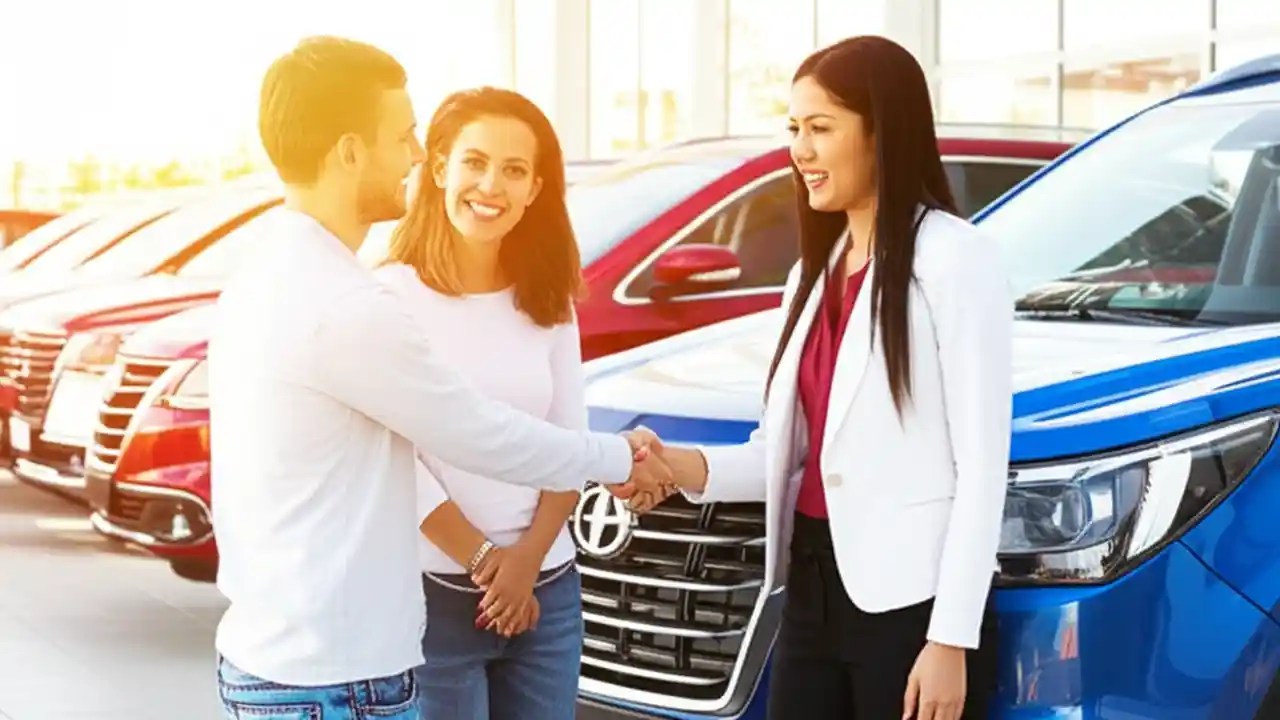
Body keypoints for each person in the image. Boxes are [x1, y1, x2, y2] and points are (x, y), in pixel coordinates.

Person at [209, 37, 670, 719]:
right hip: (331, 678)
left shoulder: (272, 270)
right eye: (403, 136)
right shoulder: (349, 303)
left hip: (297, 661)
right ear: (349, 151)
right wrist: (619, 456)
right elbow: (474, 432)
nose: (417, 154)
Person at [622, 36, 1012, 720]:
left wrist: (950, 637)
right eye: (794, 128)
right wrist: (673, 464)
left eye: (821, 128)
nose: (800, 149)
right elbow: (788, 455)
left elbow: (983, 466)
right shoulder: (811, 274)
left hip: (907, 604)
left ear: (881, 132)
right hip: (808, 588)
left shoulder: (957, 259)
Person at [371, 87, 587, 720]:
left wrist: (526, 561)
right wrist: (485, 559)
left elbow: (569, 445)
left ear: (535, 188)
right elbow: (392, 458)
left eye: (514, 170)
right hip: (433, 595)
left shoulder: (549, 301)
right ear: (439, 167)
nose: (490, 185)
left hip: (548, 590)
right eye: (475, 162)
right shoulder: (391, 296)